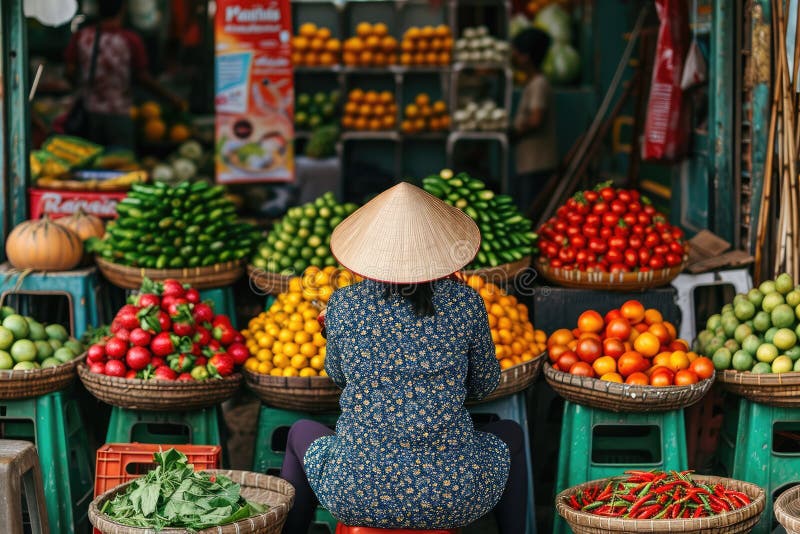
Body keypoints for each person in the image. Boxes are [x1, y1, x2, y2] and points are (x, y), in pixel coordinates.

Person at [280, 182, 528, 533]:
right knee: (510, 434)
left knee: (300, 431)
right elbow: (484, 385)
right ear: (438, 251)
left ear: (372, 252)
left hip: (357, 492)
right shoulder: (466, 303)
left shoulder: (344, 304)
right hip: (452, 494)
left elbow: (337, 376)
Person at [64, 0, 184, 148]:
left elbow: (69, 72)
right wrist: (170, 98)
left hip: (89, 112)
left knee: (89, 159)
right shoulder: (130, 40)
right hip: (119, 113)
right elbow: (142, 77)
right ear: (123, 9)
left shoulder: (82, 37)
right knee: (121, 163)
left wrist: (84, 86)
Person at [511, 27, 558, 213]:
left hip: (537, 164)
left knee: (532, 215)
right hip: (530, 164)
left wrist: (514, 132)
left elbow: (536, 119)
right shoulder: (533, 83)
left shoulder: (539, 84)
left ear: (525, 56)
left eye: (516, 52)